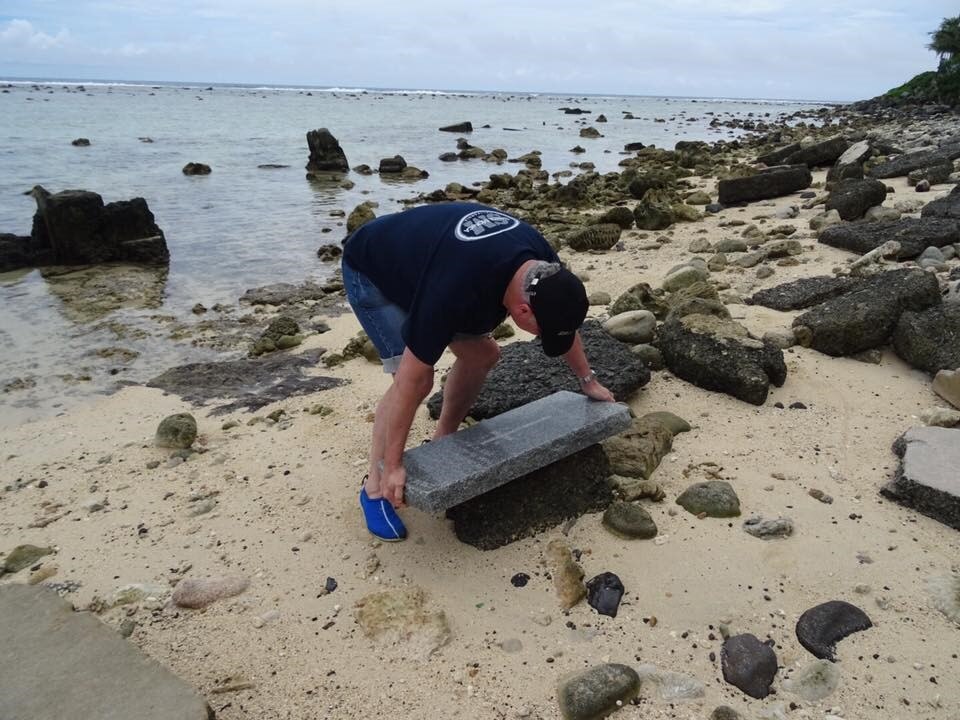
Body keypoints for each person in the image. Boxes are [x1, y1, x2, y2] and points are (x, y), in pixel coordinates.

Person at [341, 202, 614, 541]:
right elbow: (411, 381)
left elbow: (562, 319)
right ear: (522, 310)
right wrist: (396, 465)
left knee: (483, 354)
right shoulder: (451, 291)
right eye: (541, 332)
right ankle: (375, 488)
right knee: (413, 380)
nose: (543, 338)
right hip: (373, 270)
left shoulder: (544, 268)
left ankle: (444, 438)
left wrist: (588, 381)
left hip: (428, 260)